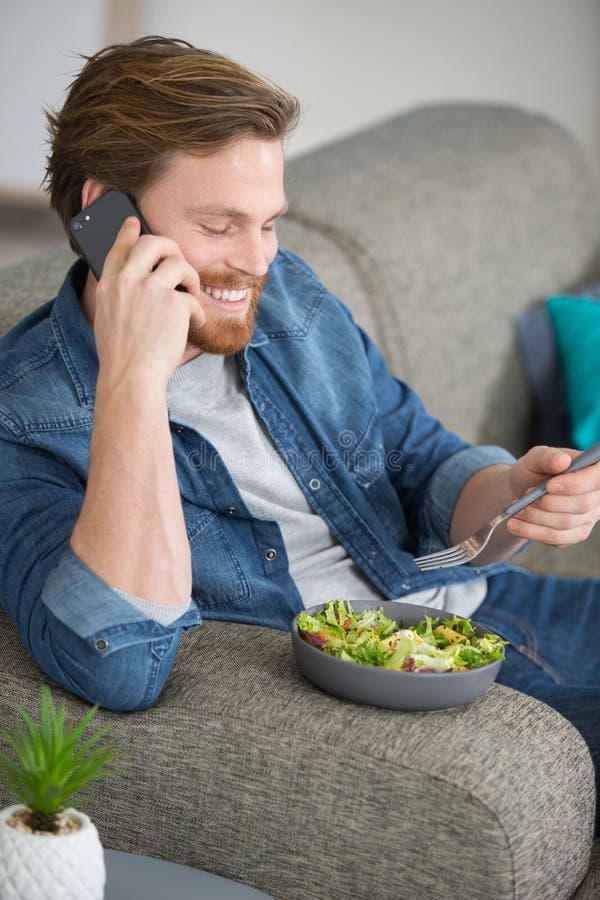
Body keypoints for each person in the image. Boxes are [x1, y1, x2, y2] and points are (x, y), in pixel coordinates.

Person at [0, 37, 598, 831]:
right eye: (220, 225)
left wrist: (512, 496)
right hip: (388, 687)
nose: (256, 262)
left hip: (476, 610)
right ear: (107, 215)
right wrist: (135, 382)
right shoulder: (23, 416)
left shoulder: (290, 295)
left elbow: (414, 457)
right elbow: (120, 660)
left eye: (268, 223)